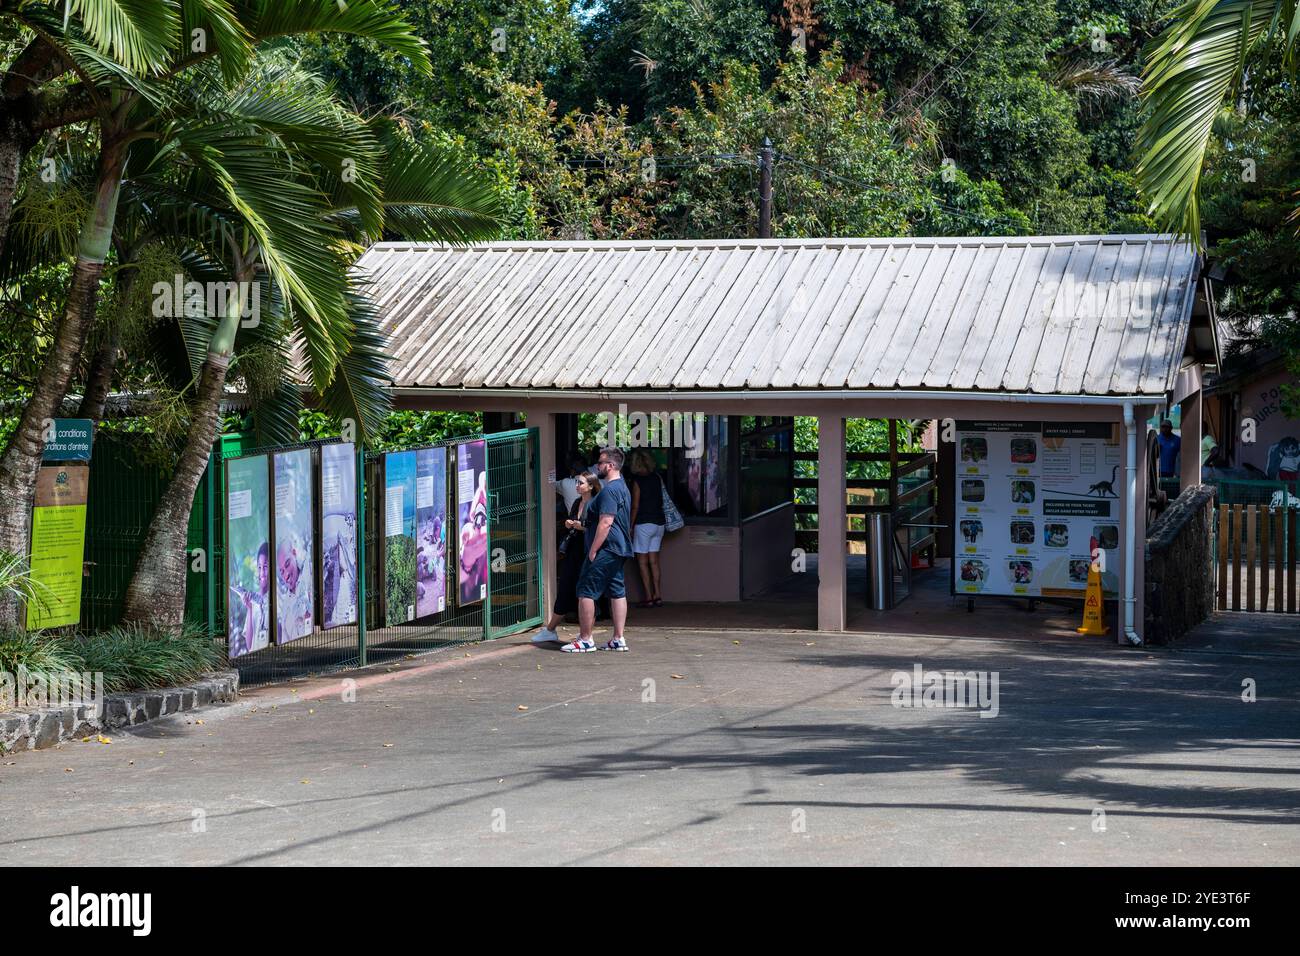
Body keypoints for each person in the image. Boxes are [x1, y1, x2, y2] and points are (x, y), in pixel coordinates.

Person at [561, 447, 632, 653]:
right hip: (618, 548)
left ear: (610, 466)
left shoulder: (610, 490)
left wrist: (593, 550)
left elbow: (606, 522)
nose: (597, 466)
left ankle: (585, 639)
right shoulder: (622, 487)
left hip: (607, 548)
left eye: (600, 463)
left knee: (585, 590)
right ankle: (618, 639)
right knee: (617, 591)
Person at [533, 469, 600, 643]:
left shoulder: (596, 503)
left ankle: (586, 635)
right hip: (574, 551)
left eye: (581, 483)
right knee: (565, 588)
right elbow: (572, 522)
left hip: (588, 551)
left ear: (591, 486)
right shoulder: (578, 502)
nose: (577, 485)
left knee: (586, 593)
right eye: (577, 482)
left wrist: (581, 526)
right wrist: (569, 523)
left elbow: (597, 527)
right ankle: (551, 629)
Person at [627, 448, 667, 608]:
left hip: (643, 523)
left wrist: (630, 525)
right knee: (654, 562)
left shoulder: (637, 481)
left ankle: (648, 597)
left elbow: (635, 506)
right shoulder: (657, 478)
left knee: (642, 562)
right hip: (659, 523)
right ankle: (658, 595)